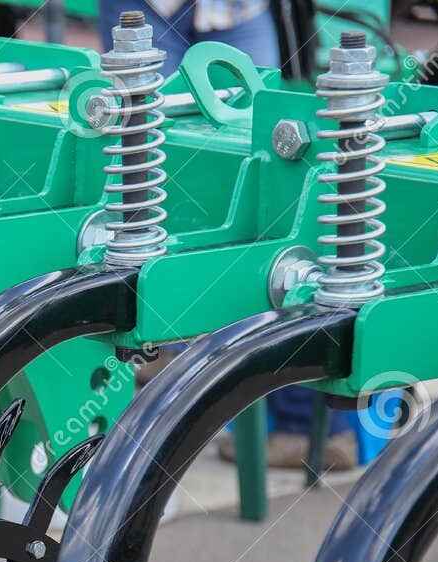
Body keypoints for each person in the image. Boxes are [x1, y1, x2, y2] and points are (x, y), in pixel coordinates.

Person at [99, 0, 359, 470]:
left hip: (233, 8)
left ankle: (299, 424)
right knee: (162, 174)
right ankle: (169, 342)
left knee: (269, 184)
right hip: (149, 10)